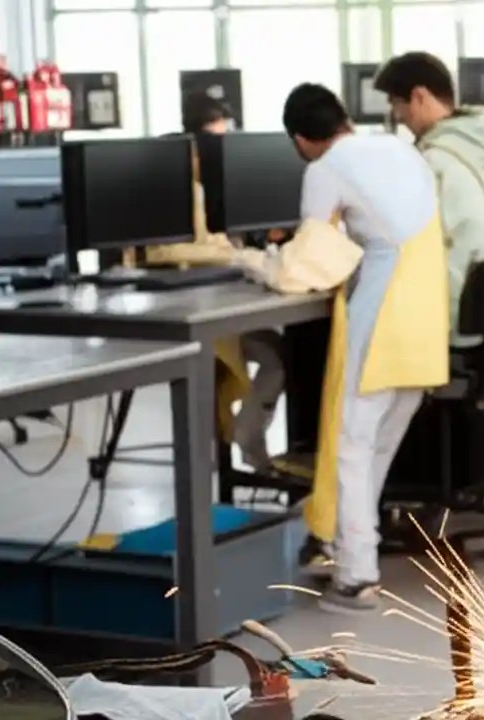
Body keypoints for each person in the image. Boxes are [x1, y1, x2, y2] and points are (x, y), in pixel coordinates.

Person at [283, 83, 450, 613]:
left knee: (351, 446)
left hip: (384, 316)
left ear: (300, 139)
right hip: (427, 320)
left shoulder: (324, 167)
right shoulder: (400, 147)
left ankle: (356, 577)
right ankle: (341, 544)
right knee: (376, 446)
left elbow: (311, 256)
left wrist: (258, 265)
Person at [147, 92, 285, 471]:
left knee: (280, 356)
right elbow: (162, 251)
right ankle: (227, 451)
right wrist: (234, 256)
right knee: (258, 357)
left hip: (224, 295)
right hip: (190, 306)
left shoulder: (218, 182)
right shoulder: (173, 184)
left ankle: (248, 435)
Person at [373, 51, 484, 325]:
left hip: (449, 315)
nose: (398, 116)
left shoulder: (432, 162)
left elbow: (402, 240)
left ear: (419, 96)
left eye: (396, 104)